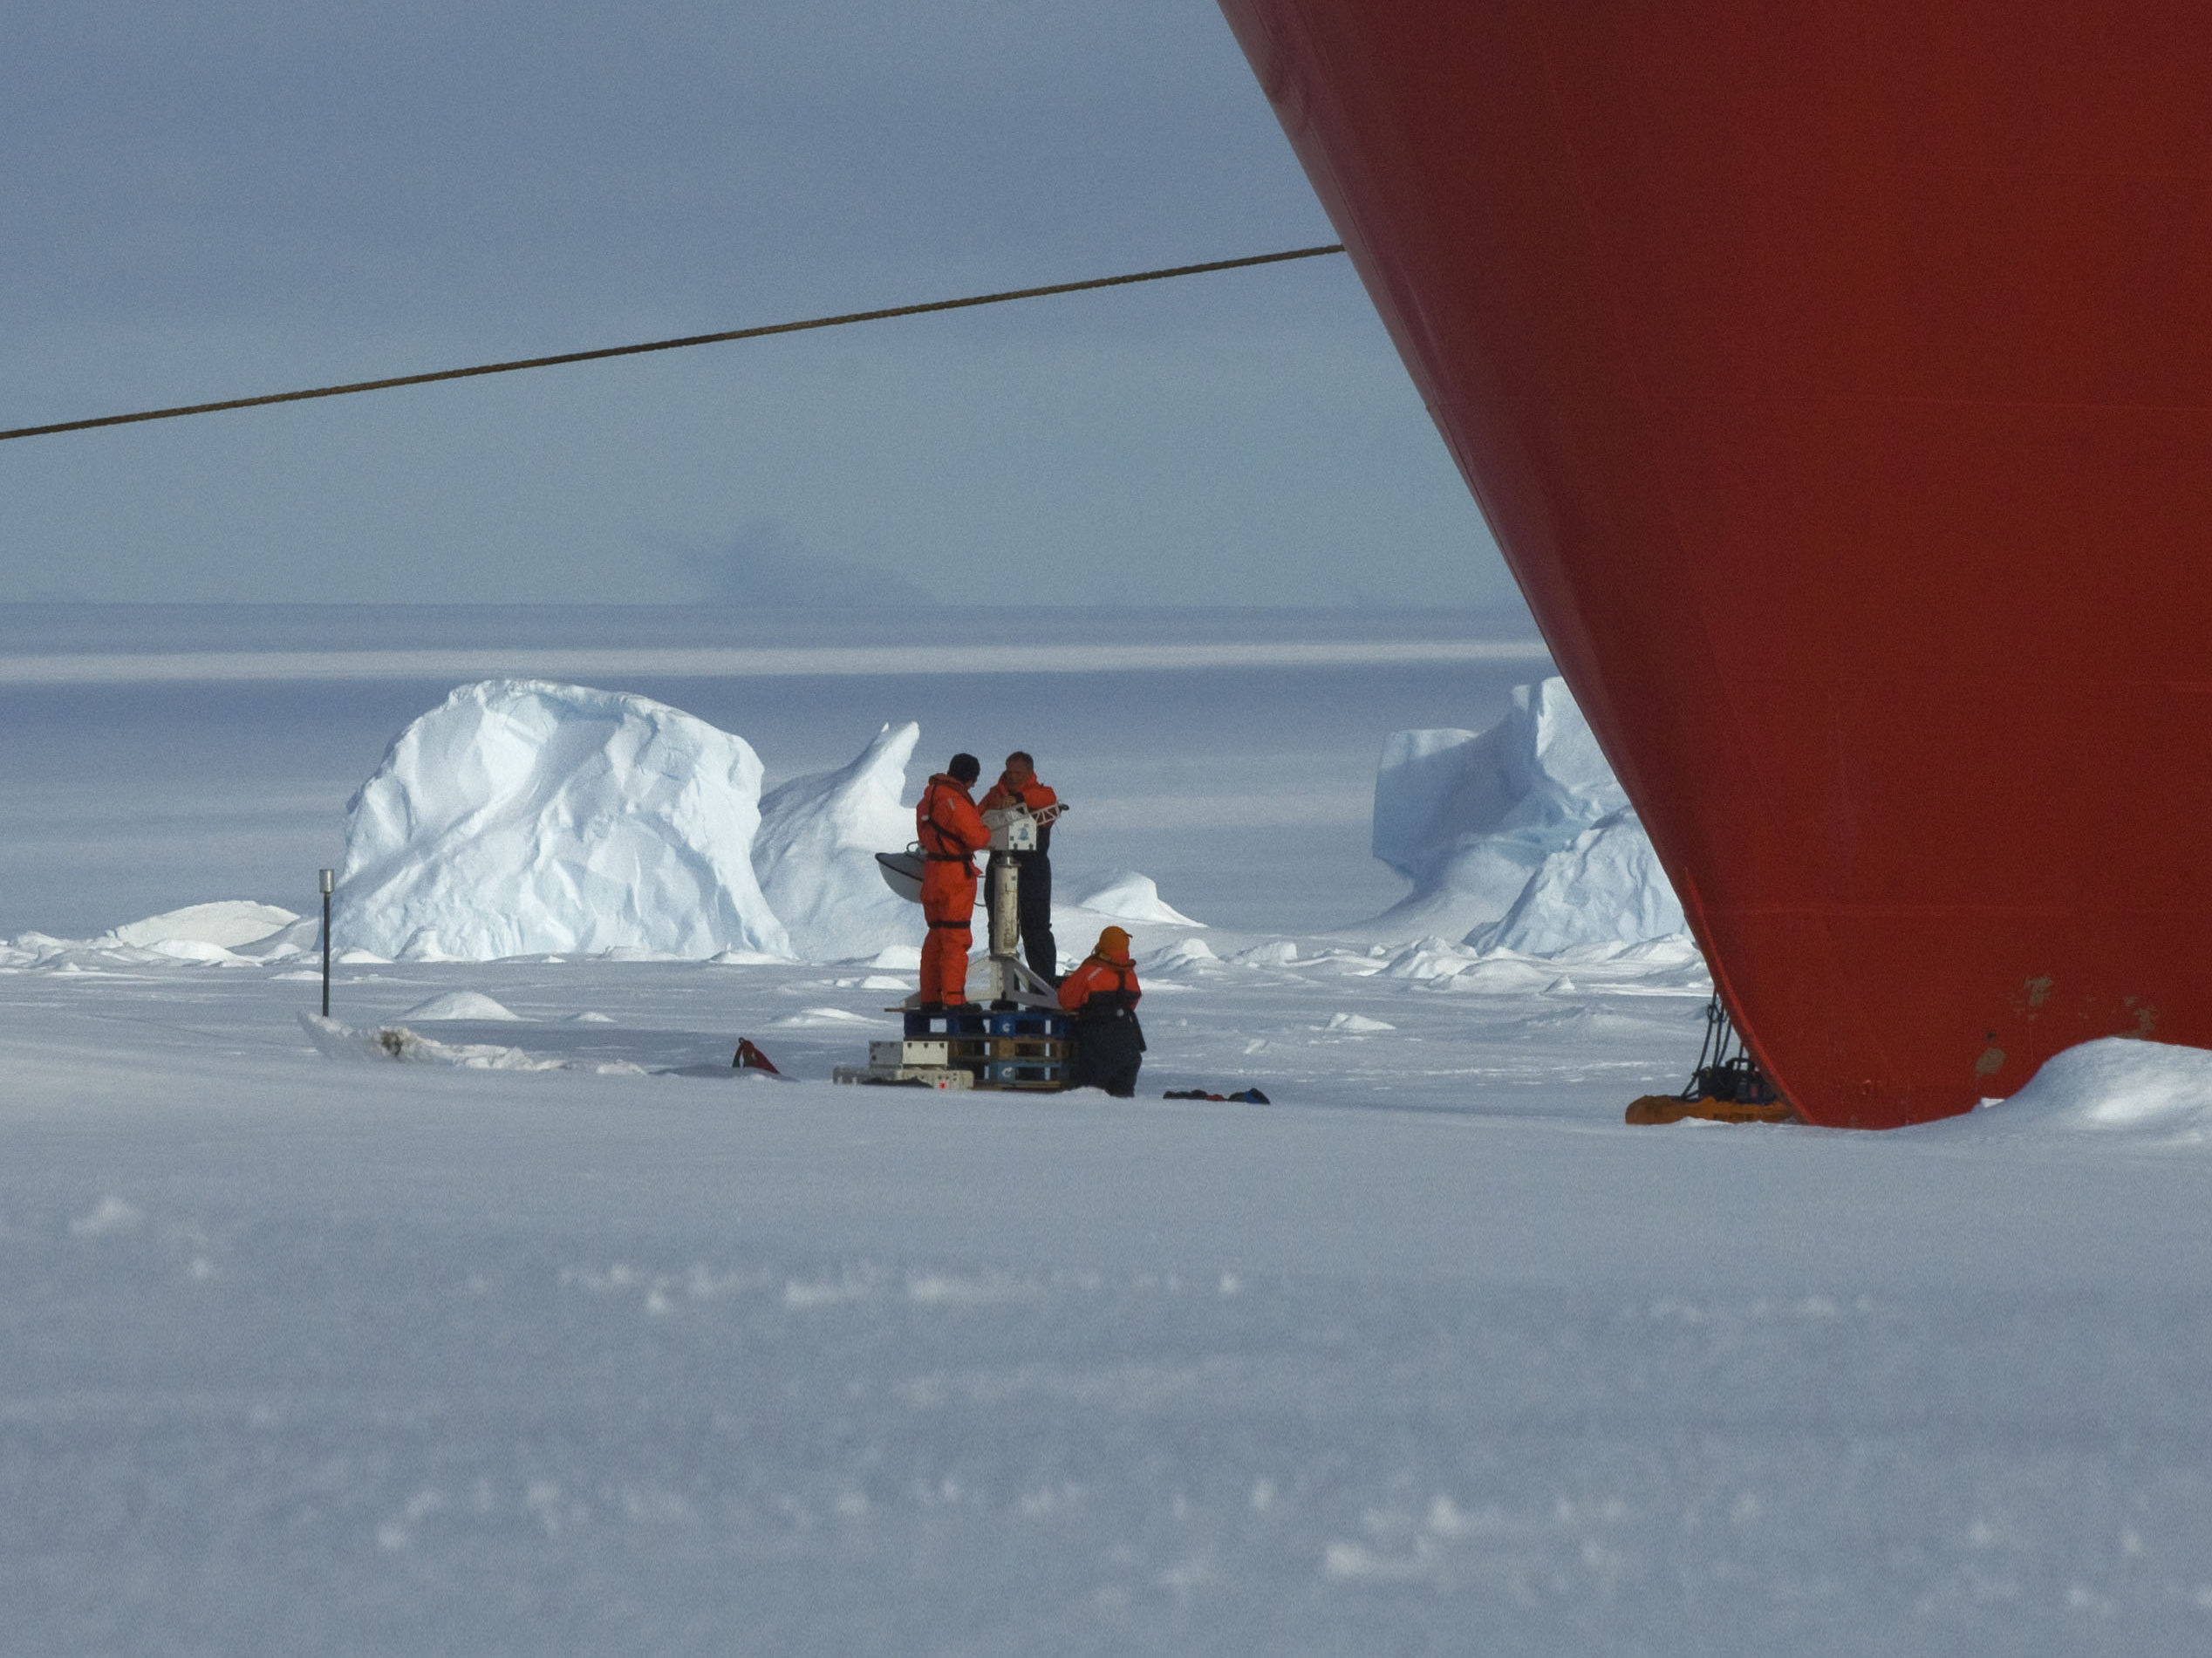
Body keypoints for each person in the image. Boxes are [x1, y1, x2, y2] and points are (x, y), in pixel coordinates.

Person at [979, 749, 1062, 984]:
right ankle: (1005, 988)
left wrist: (1019, 801)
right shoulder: (994, 795)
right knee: (999, 928)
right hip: (998, 866)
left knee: (1036, 929)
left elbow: (1048, 803)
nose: (1012, 776)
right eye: (1009, 771)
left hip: (1033, 869)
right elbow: (976, 816)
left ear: (1029, 773)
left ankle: (1043, 985)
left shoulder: (1041, 793)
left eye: (1018, 772)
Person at [916, 753, 989, 1010]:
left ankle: (931, 998)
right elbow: (976, 838)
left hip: (933, 873)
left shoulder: (928, 799)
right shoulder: (954, 800)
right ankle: (955, 1000)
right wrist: (987, 830)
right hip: (954, 876)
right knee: (955, 938)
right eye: (973, 782)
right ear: (969, 778)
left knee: (936, 937)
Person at [1058, 925, 1144, 1096]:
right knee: (1122, 1102)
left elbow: (1065, 1000)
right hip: (1129, 1046)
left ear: (1102, 944)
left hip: (1096, 1045)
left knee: (1085, 1098)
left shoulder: (1090, 971)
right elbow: (1133, 1003)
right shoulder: (1130, 975)